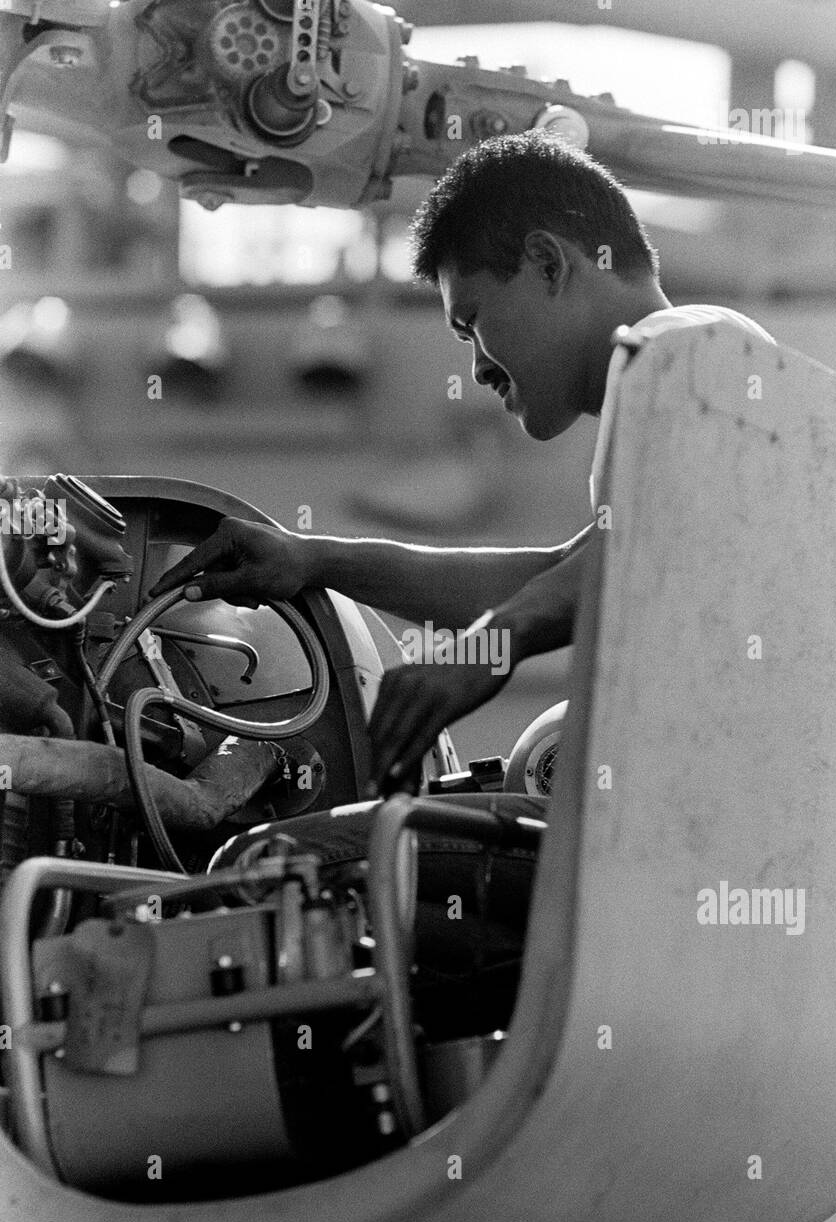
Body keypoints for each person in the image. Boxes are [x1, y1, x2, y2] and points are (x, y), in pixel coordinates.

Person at [150, 131, 775, 1037]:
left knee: (270, 863)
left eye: (473, 319)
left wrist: (481, 650)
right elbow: (566, 571)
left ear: (549, 264)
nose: (478, 366)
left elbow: (597, 571)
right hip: (684, 850)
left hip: (673, 848)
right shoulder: (679, 395)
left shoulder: (694, 345)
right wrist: (317, 560)